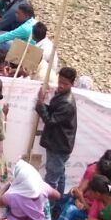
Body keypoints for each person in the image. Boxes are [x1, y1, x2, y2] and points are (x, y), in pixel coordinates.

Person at [35, 68, 77, 196]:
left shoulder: (67, 103)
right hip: (59, 143)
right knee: (59, 175)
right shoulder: (62, 96)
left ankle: (49, 208)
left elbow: (50, 120)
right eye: (60, 82)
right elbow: (53, 113)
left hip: (59, 145)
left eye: (65, 83)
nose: (61, 85)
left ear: (72, 84)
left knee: (51, 179)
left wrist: (41, 103)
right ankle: (57, 204)